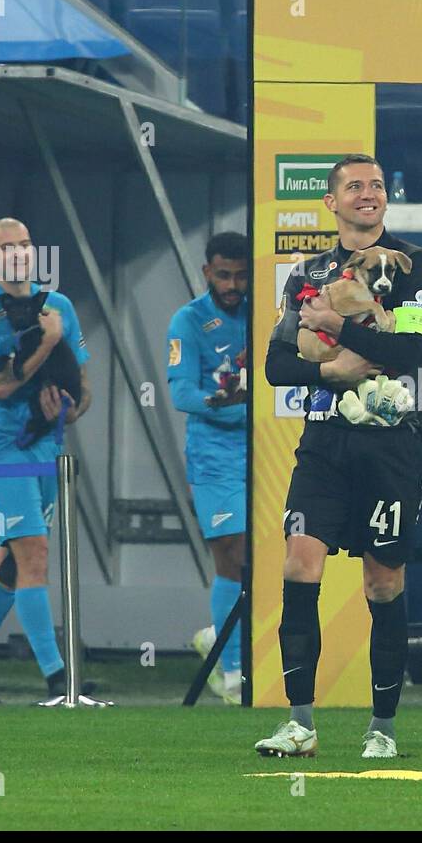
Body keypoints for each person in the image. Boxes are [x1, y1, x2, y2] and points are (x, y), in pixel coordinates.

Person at [258, 153, 422, 758]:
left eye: (379, 185)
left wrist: (337, 322)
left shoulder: (414, 267)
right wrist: (335, 365)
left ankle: (382, 728)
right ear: (331, 202)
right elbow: (276, 366)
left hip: (391, 445)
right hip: (323, 443)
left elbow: (410, 352)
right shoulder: (306, 272)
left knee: (383, 582)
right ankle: (300, 723)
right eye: (355, 186)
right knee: (298, 564)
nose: (369, 194)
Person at [0, 217, 91, 702]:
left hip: (48, 445)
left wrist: (67, 411)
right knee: (35, 557)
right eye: (7, 247)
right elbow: (0, 385)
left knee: (11, 562)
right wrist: (46, 342)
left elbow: (85, 391)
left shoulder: (61, 305)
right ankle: (57, 677)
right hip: (1, 447)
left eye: (26, 244)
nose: (18, 253)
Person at [167, 231, 250, 705]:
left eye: (241, 275)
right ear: (207, 273)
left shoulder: (265, 317)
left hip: (264, 454)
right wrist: (230, 405)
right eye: (224, 275)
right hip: (214, 456)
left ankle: (217, 638)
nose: (233, 284)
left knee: (265, 561)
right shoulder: (189, 321)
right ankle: (233, 673)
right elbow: (180, 393)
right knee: (234, 555)